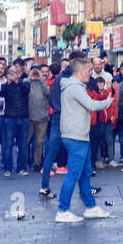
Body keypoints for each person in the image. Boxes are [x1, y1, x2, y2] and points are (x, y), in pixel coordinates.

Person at [53, 58, 113, 223]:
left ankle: (91, 207)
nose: (91, 74)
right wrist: (109, 101)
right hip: (76, 137)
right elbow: (92, 105)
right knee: (73, 174)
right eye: (88, 71)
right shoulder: (74, 88)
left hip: (79, 136)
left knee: (84, 173)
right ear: (80, 72)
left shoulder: (75, 86)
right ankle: (63, 210)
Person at [39, 58, 76, 197]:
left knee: (51, 153)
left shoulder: (57, 79)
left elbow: (51, 99)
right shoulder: (71, 81)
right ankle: (85, 187)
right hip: (67, 118)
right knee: (79, 151)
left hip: (56, 117)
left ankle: (44, 186)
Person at [0, 64, 30, 177]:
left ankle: (21, 167)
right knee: (8, 144)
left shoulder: (24, 83)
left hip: (23, 117)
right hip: (9, 118)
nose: (13, 75)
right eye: (11, 73)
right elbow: (1, 94)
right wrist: (8, 83)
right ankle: (8, 168)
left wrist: (18, 82)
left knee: (22, 145)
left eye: (15, 73)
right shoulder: (5, 85)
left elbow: (27, 91)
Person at [27, 65, 50, 172]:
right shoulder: (26, 81)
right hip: (29, 117)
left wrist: (41, 79)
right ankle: (24, 161)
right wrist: (30, 77)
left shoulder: (44, 82)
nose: (36, 73)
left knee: (39, 142)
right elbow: (23, 88)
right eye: (34, 71)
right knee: (25, 141)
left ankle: (37, 163)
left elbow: (48, 92)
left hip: (42, 117)